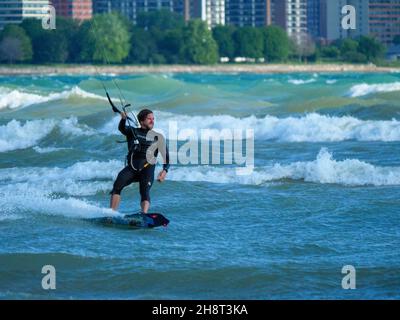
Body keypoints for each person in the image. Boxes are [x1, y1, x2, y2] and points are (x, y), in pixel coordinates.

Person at [110, 109, 169, 214]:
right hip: (132, 167)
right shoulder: (133, 132)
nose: (152, 121)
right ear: (141, 121)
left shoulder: (158, 137)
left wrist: (164, 171)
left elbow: (166, 157)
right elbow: (122, 128)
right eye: (149, 119)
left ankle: (144, 215)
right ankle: (111, 213)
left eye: (153, 119)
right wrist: (123, 119)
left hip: (147, 169)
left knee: (144, 192)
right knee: (117, 185)